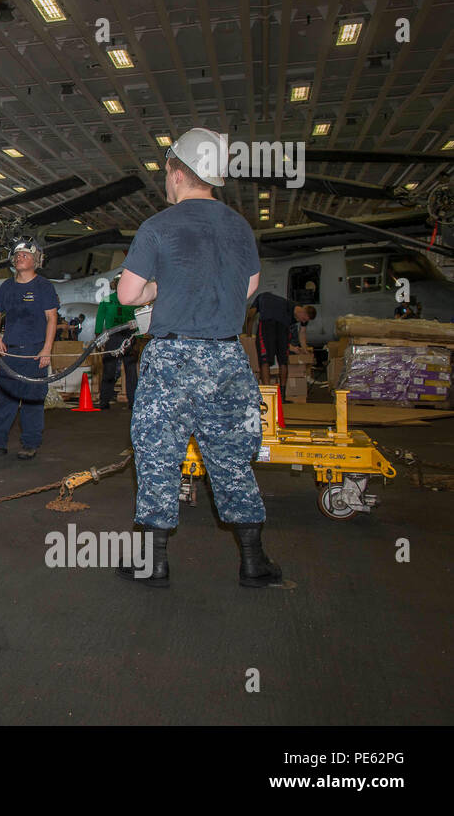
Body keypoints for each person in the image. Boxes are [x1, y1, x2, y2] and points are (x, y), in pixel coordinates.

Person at [116, 127, 282, 590]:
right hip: (227, 357)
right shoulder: (239, 226)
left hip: (171, 359)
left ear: (175, 171)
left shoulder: (158, 227)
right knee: (230, 459)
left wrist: (157, 289)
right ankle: (254, 562)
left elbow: (129, 293)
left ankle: (155, 564)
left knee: (158, 458)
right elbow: (247, 289)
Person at [0, 237, 58, 460]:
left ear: (35, 260)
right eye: (17, 255)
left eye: (25, 255)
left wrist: (47, 349)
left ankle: (30, 444)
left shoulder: (43, 286)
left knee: (33, 400)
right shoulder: (7, 287)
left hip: (35, 352)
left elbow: (51, 319)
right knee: (5, 398)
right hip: (10, 353)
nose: (20, 258)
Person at [252, 292, 316, 390]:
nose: (302, 322)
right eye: (303, 319)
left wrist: (304, 349)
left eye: (305, 321)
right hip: (268, 323)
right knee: (265, 360)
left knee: (283, 361)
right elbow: (250, 315)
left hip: (281, 326)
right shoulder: (287, 307)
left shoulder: (301, 316)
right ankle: (268, 392)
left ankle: (282, 394)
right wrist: (248, 333)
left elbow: (302, 333)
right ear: (302, 311)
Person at [95, 274, 140, 409]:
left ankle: (133, 402)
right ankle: (104, 401)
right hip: (113, 337)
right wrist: (98, 339)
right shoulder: (107, 300)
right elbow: (99, 321)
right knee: (110, 369)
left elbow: (137, 320)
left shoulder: (132, 301)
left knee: (130, 371)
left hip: (128, 336)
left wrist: (137, 341)